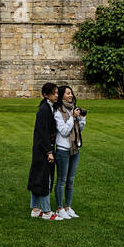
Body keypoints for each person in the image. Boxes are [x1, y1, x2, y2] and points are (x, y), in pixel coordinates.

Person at [29, 83, 64, 220]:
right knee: (45, 179)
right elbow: (43, 133)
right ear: (45, 95)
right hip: (43, 149)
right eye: (54, 93)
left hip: (40, 149)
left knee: (38, 177)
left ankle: (36, 208)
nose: (56, 95)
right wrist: (49, 151)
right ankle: (47, 211)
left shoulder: (48, 107)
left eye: (57, 93)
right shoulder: (44, 110)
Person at [51, 84, 86, 219]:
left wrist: (81, 119)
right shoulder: (58, 112)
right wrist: (71, 117)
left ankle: (68, 206)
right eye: (67, 93)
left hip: (75, 148)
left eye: (71, 93)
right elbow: (65, 131)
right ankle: (59, 208)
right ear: (61, 96)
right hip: (63, 149)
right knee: (61, 179)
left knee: (70, 180)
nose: (70, 95)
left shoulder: (73, 110)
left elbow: (79, 129)